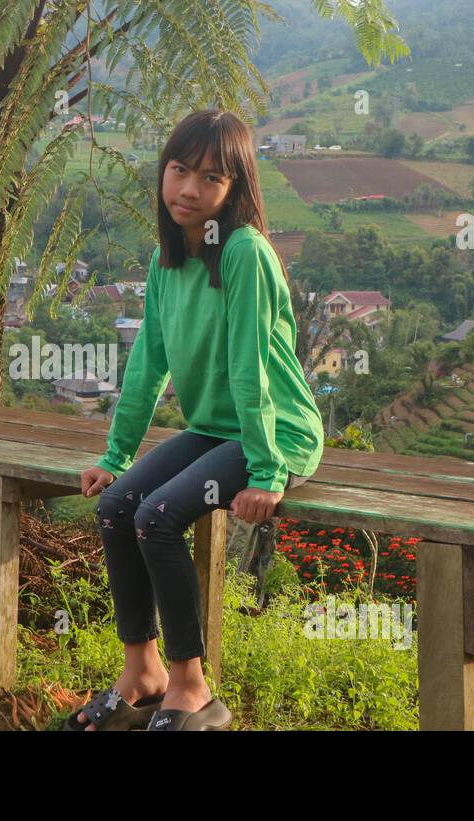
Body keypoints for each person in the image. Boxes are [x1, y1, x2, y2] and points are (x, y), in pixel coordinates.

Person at [64, 110, 325, 732]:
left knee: (157, 518)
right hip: (214, 428)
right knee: (117, 507)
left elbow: (251, 368)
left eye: (210, 178)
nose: (188, 189)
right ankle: (143, 672)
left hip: (276, 432)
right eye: (179, 170)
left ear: (235, 189)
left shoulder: (245, 254)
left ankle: (193, 689)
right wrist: (117, 456)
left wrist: (267, 473)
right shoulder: (166, 261)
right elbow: (147, 363)